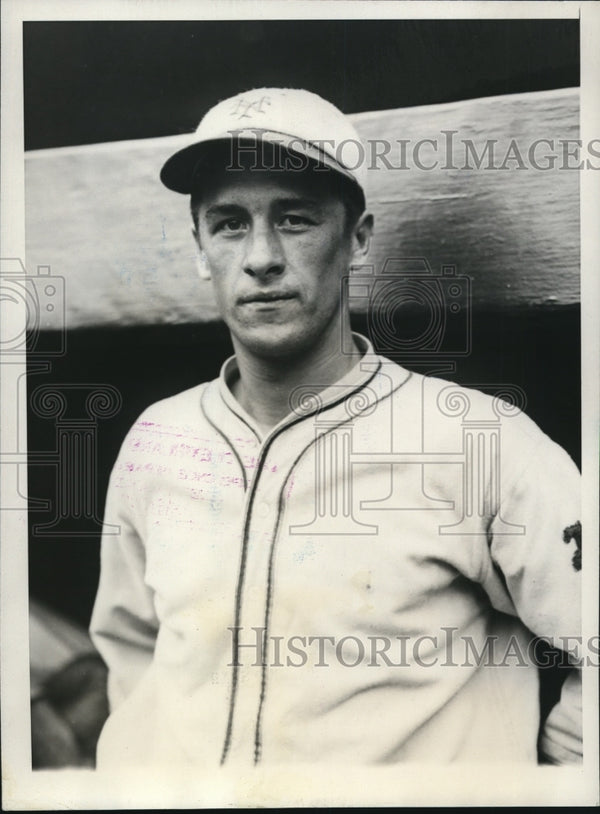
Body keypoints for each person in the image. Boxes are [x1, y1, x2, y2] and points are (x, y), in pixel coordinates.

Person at [90, 87, 582, 767]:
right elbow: (133, 658)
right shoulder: (157, 441)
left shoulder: (479, 441)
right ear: (200, 248)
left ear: (356, 238)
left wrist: (549, 787)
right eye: (229, 223)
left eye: (294, 220)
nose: (260, 256)